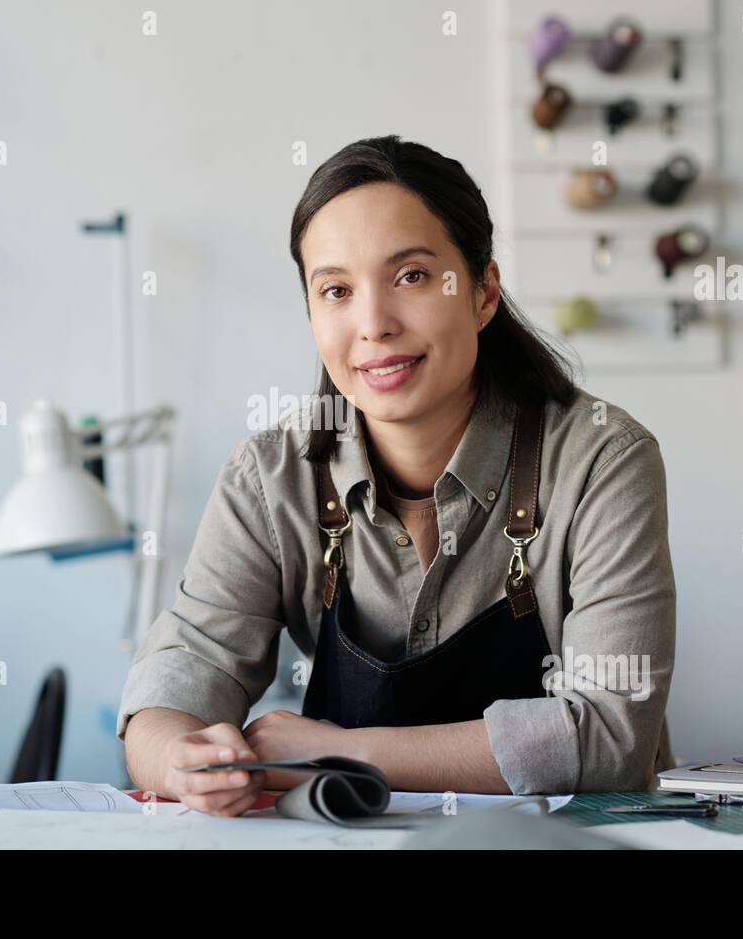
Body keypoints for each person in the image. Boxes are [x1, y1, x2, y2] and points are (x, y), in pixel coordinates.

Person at [117, 135, 676, 817]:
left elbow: (612, 737)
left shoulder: (602, 461)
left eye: (410, 276)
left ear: (483, 293)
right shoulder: (270, 479)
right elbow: (176, 684)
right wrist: (182, 759)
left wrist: (342, 752)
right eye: (336, 290)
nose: (373, 324)